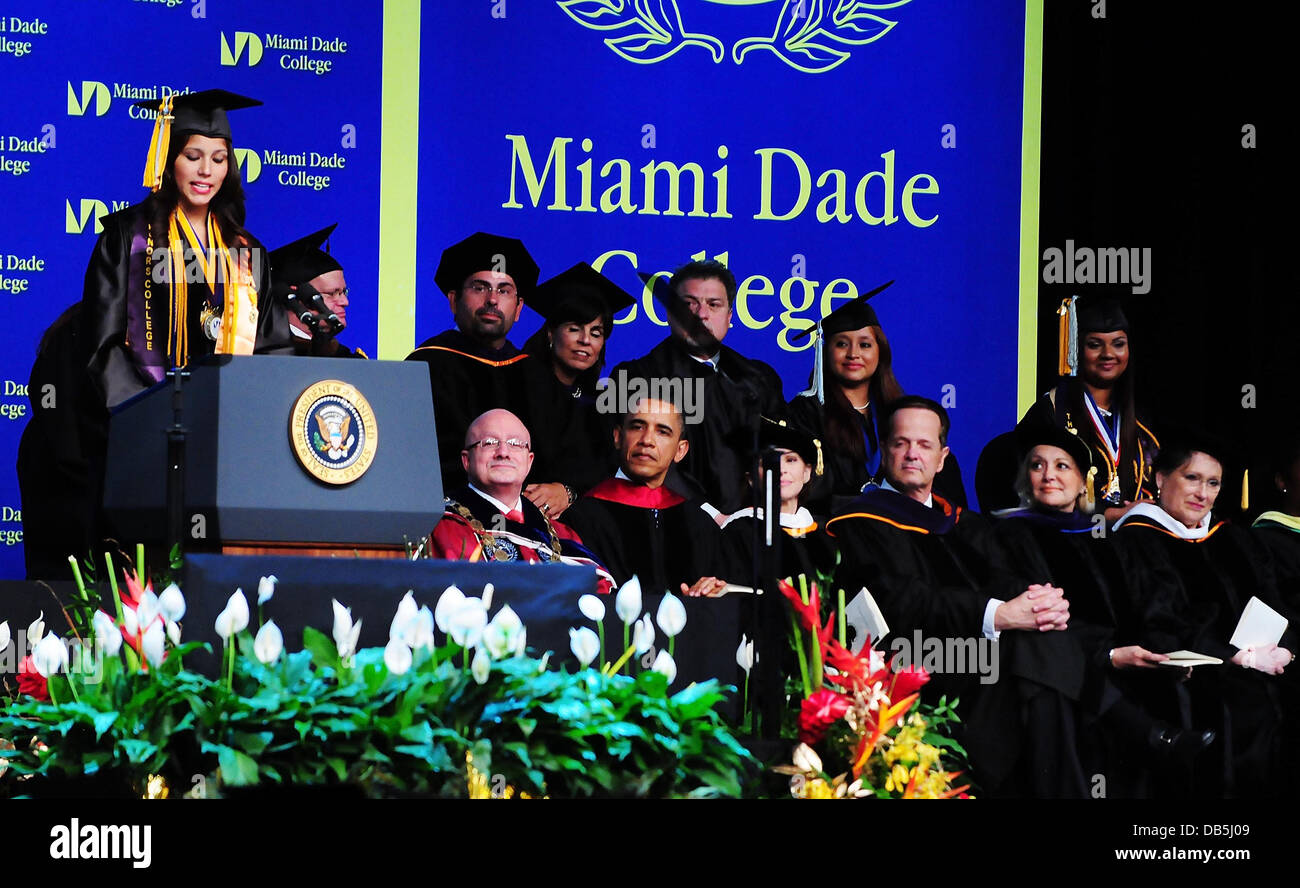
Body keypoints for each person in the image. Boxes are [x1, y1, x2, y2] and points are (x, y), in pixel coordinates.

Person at [826, 396, 1091, 797]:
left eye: (924, 445)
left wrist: (1039, 602)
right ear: (884, 451)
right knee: (1038, 657)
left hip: (980, 651)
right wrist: (999, 616)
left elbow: (1004, 578)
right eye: (900, 443)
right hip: (915, 655)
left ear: (942, 457)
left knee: (1044, 644)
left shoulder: (961, 521)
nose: (912, 454)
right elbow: (902, 603)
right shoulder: (860, 520)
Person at [992, 426, 1216, 795]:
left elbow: (1143, 603)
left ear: (1083, 483)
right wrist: (1108, 654)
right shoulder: (1005, 534)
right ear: (1025, 478)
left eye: (1063, 466)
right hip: (1057, 663)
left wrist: (1167, 649)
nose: (1049, 475)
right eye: (1037, 466)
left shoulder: (1106, 536)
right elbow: (1033, 617)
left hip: (1127, 655)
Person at [80, 90, 291, 411]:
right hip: (148, 423)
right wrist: (152, 411)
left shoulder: (247, 251)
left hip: (226, 422)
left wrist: (247, 409)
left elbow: (273, 347)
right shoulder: (127, 238)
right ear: (169, 159)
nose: (206, 170)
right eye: (192, 157)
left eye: (218, 159)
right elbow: (103, 344)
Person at [1114, 435, 1294, 797]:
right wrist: (1236, 657)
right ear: (1161, 479)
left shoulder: (1233, 538)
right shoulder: (1136, 540)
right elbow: (1155, 622)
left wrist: (1284, 648)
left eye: (1213, 483)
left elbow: (1274, 599)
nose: (1203, 493)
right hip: (1193, 674)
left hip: (1262, 668)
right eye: (1191, 478)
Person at [608, 260, 785, 517]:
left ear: (729, 316)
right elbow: (632, 460)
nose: (701, 315)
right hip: (666, 521)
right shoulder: (635, 377)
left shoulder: (759, 380)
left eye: (713, 305)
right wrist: (710, 516)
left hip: (751, 527)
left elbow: (783, 455)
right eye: (689, 304)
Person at [786, 282, 966, 512]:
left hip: (899, 528)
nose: (853, 353)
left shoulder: (901, 413)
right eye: (841, 344)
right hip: (831, 529)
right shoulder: (804, 413)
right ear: (825, 350)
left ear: (880, 351)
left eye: (865, 344)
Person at [417, 408, 614, 594]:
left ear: (529, 462)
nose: (503, 452)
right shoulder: (442, 523)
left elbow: (597, 595)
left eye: (515, 443)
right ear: (466, 460)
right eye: (489, 442)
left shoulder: (561, 533)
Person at [405, 232, 540, 489]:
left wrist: (564, 489)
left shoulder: (534, 374)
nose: (492, 299)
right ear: (454, 301)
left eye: (504, 290)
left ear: (519, 308)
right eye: (480, 288)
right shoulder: (424, 365)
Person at [562, 395, 730, 597]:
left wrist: (709, 593)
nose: (647, 440)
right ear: (617, 437)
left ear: (680, 450)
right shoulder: (581, 519)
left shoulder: (698, 522)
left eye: (663, 431)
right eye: (637, 427)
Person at [1016, 295, 1159, 522]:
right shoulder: (1052, 412)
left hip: (1132, 540)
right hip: (1071, 539)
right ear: (1077, 349)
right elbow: (1030, 490)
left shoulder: (1141, 420)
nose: (1108, 354)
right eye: (1094, 345)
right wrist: (1111, 514)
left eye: (1118, 344)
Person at [518, 262, 635, 517]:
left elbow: (608, 469)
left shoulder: (604, 402)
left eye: (596, 332)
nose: (585, 340)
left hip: (582, 521)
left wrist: (568, 492)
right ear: (551, 333)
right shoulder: (517, 384)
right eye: (574, 329)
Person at [720, 417, 836, 585]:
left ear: (807, 472)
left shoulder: (824, 535)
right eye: (769, 461)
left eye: (791, 460)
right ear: (751, 478)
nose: (781, 470)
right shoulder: (740, 532)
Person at [268, 224, 366, 358]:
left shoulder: (346, 358)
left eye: (344, 292)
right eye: (332, 293)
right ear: (295, 297)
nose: (345, 302)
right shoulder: (265, 353)